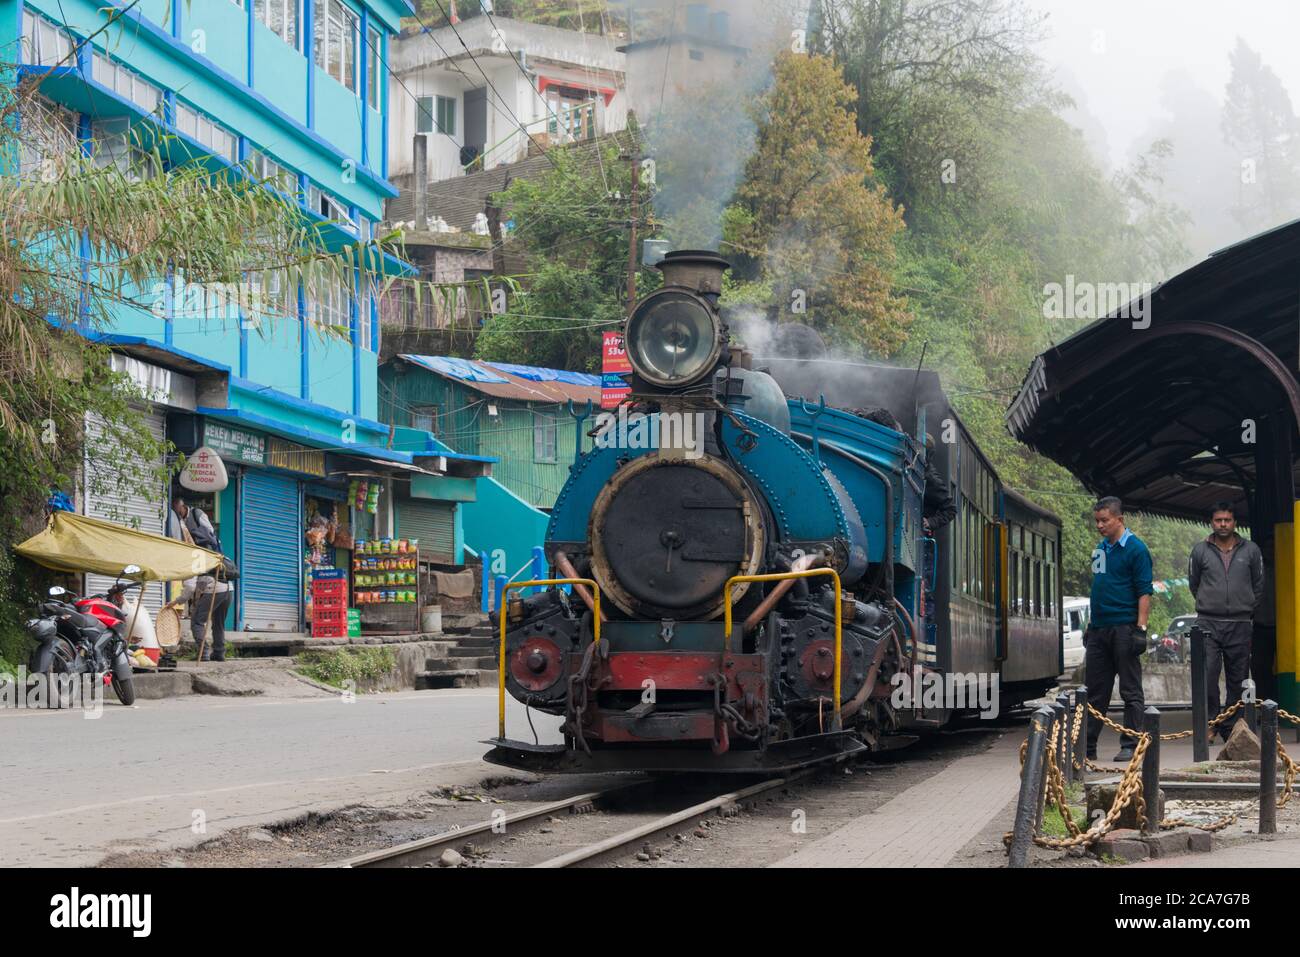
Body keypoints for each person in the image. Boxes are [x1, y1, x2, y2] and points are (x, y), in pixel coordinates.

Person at [1084, 496, 1153, 762]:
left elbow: (1144, 591)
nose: (1100, 526)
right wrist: (1092, 624)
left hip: (1125, 627)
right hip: (1100, 629)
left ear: (1119, 519)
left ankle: (1131, 743)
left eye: (1105, 521)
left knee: (1130, 689)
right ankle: (1087, 744)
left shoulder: (1136, 549)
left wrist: (1141, 628)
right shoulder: (1100, 549)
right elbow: (1098, 587)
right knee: (1094, 690)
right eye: (1097, 521)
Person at [1187, 501, 1264, 739]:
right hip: (1208, 621)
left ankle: (1231, 727)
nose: (1223, 524)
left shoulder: (1251, 550)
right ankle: (1211, 723)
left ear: (1234, 522)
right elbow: (1194, 583)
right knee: (1207, 675)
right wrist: (1210, 603)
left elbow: (1258, 585)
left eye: (1227, 520)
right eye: (1218, 520)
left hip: (1240, 623)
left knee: (1238, 678)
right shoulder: (1200, 551)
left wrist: (1246, 606)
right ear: (1211, 522)